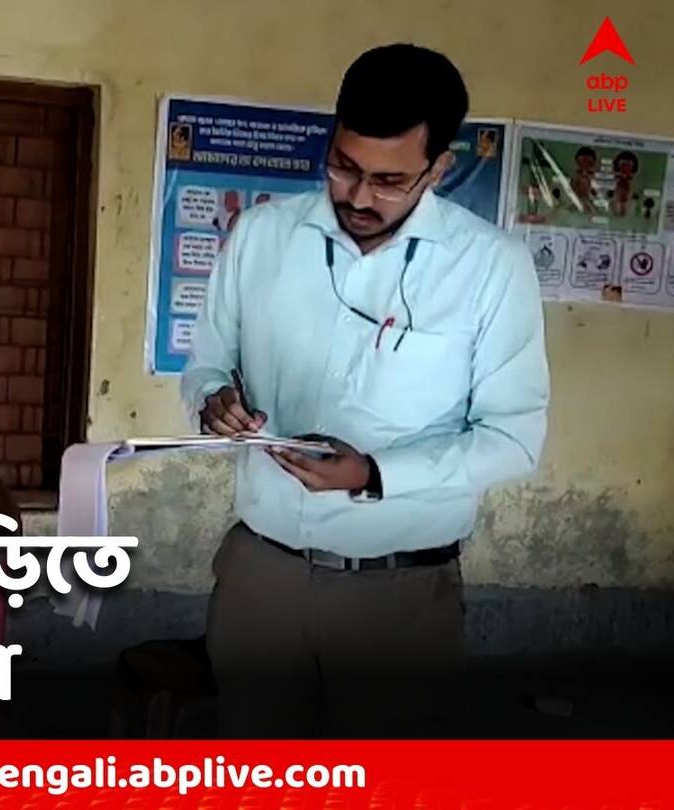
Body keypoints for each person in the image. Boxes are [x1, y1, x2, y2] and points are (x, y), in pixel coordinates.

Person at [182, 44, 550, 737]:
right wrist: (213, 401)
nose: (357, 196)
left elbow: (514, 440)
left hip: (399, 596)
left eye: (389, 180)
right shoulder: (263, 236)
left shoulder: (490, 270)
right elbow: (205, 364)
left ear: (439, 168)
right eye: (344, 167)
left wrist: (375, 474)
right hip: (262, 576)